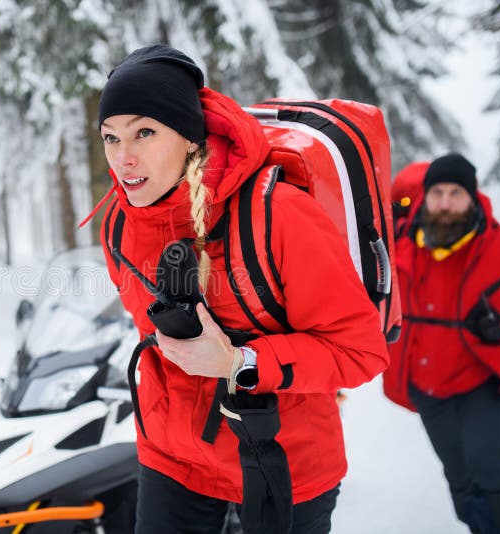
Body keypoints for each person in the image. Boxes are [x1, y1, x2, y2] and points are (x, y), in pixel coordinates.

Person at [94, 44, 389, 534]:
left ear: (190, 137)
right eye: (110, 137)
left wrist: (238, 363)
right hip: (172, 459)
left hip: (283, 464)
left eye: (145, 132)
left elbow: (360, 352)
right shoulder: (121, 225)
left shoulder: (279, 215)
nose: (124, 158)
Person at [383, 153, 500, 534]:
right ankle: (480, 523)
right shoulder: (403, 243)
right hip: (428, 384)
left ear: (473, 197)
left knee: (486, 465)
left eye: (455, 192)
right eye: (437, 192)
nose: (444, 202)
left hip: (484, 379)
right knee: (457, 471)